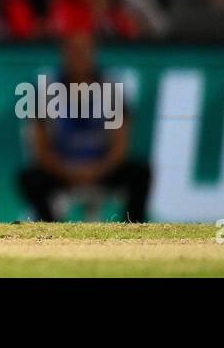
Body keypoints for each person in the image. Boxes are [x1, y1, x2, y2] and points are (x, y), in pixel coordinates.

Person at [17, 27, 150, 222]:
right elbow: (39, 148)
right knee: (30, 178)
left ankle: (133, 229)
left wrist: (95, 171)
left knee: (140, 172)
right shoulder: (46, 91)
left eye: (84, 50)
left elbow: (120, 147)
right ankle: (49, 230)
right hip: (61, 169)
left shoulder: (110, 89)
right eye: (73, 50)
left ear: (92, 53)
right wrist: (67, 170)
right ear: (63, 53)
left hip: (102, 168)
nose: (78, 57)